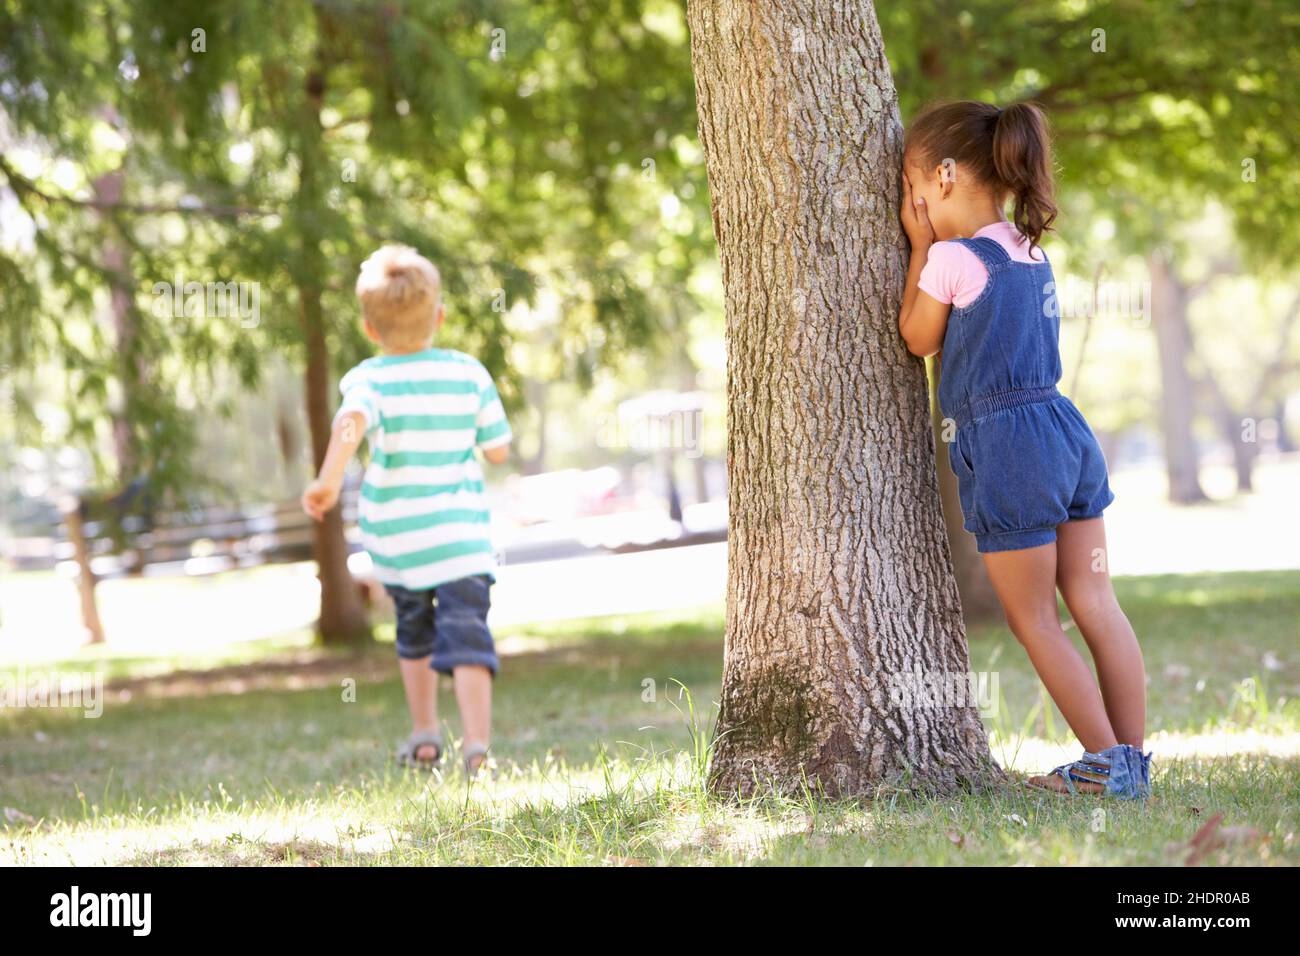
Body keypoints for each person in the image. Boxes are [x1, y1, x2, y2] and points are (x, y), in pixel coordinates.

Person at [897, 100, 1150, 800]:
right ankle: (1132, 757)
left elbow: (918, 338)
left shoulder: (950, 257)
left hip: (1008, 448)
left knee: (1034, 618)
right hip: (1064, 433)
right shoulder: (1028, 248)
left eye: (911, 185)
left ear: (943, 177)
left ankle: (1106, 766)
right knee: (1095, 599)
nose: (909, 202)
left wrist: (918, 247)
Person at [302, 244, 511, 777]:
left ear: (371, 330)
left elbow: (350, 424)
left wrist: (328, 482)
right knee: (467, 634)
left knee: (413, 633)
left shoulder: (369, 380)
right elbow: (498, 450)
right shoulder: (469, 373)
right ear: (439, 317)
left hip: (399, 541)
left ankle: (424, 736)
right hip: (461, 539)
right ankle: (478, 749)